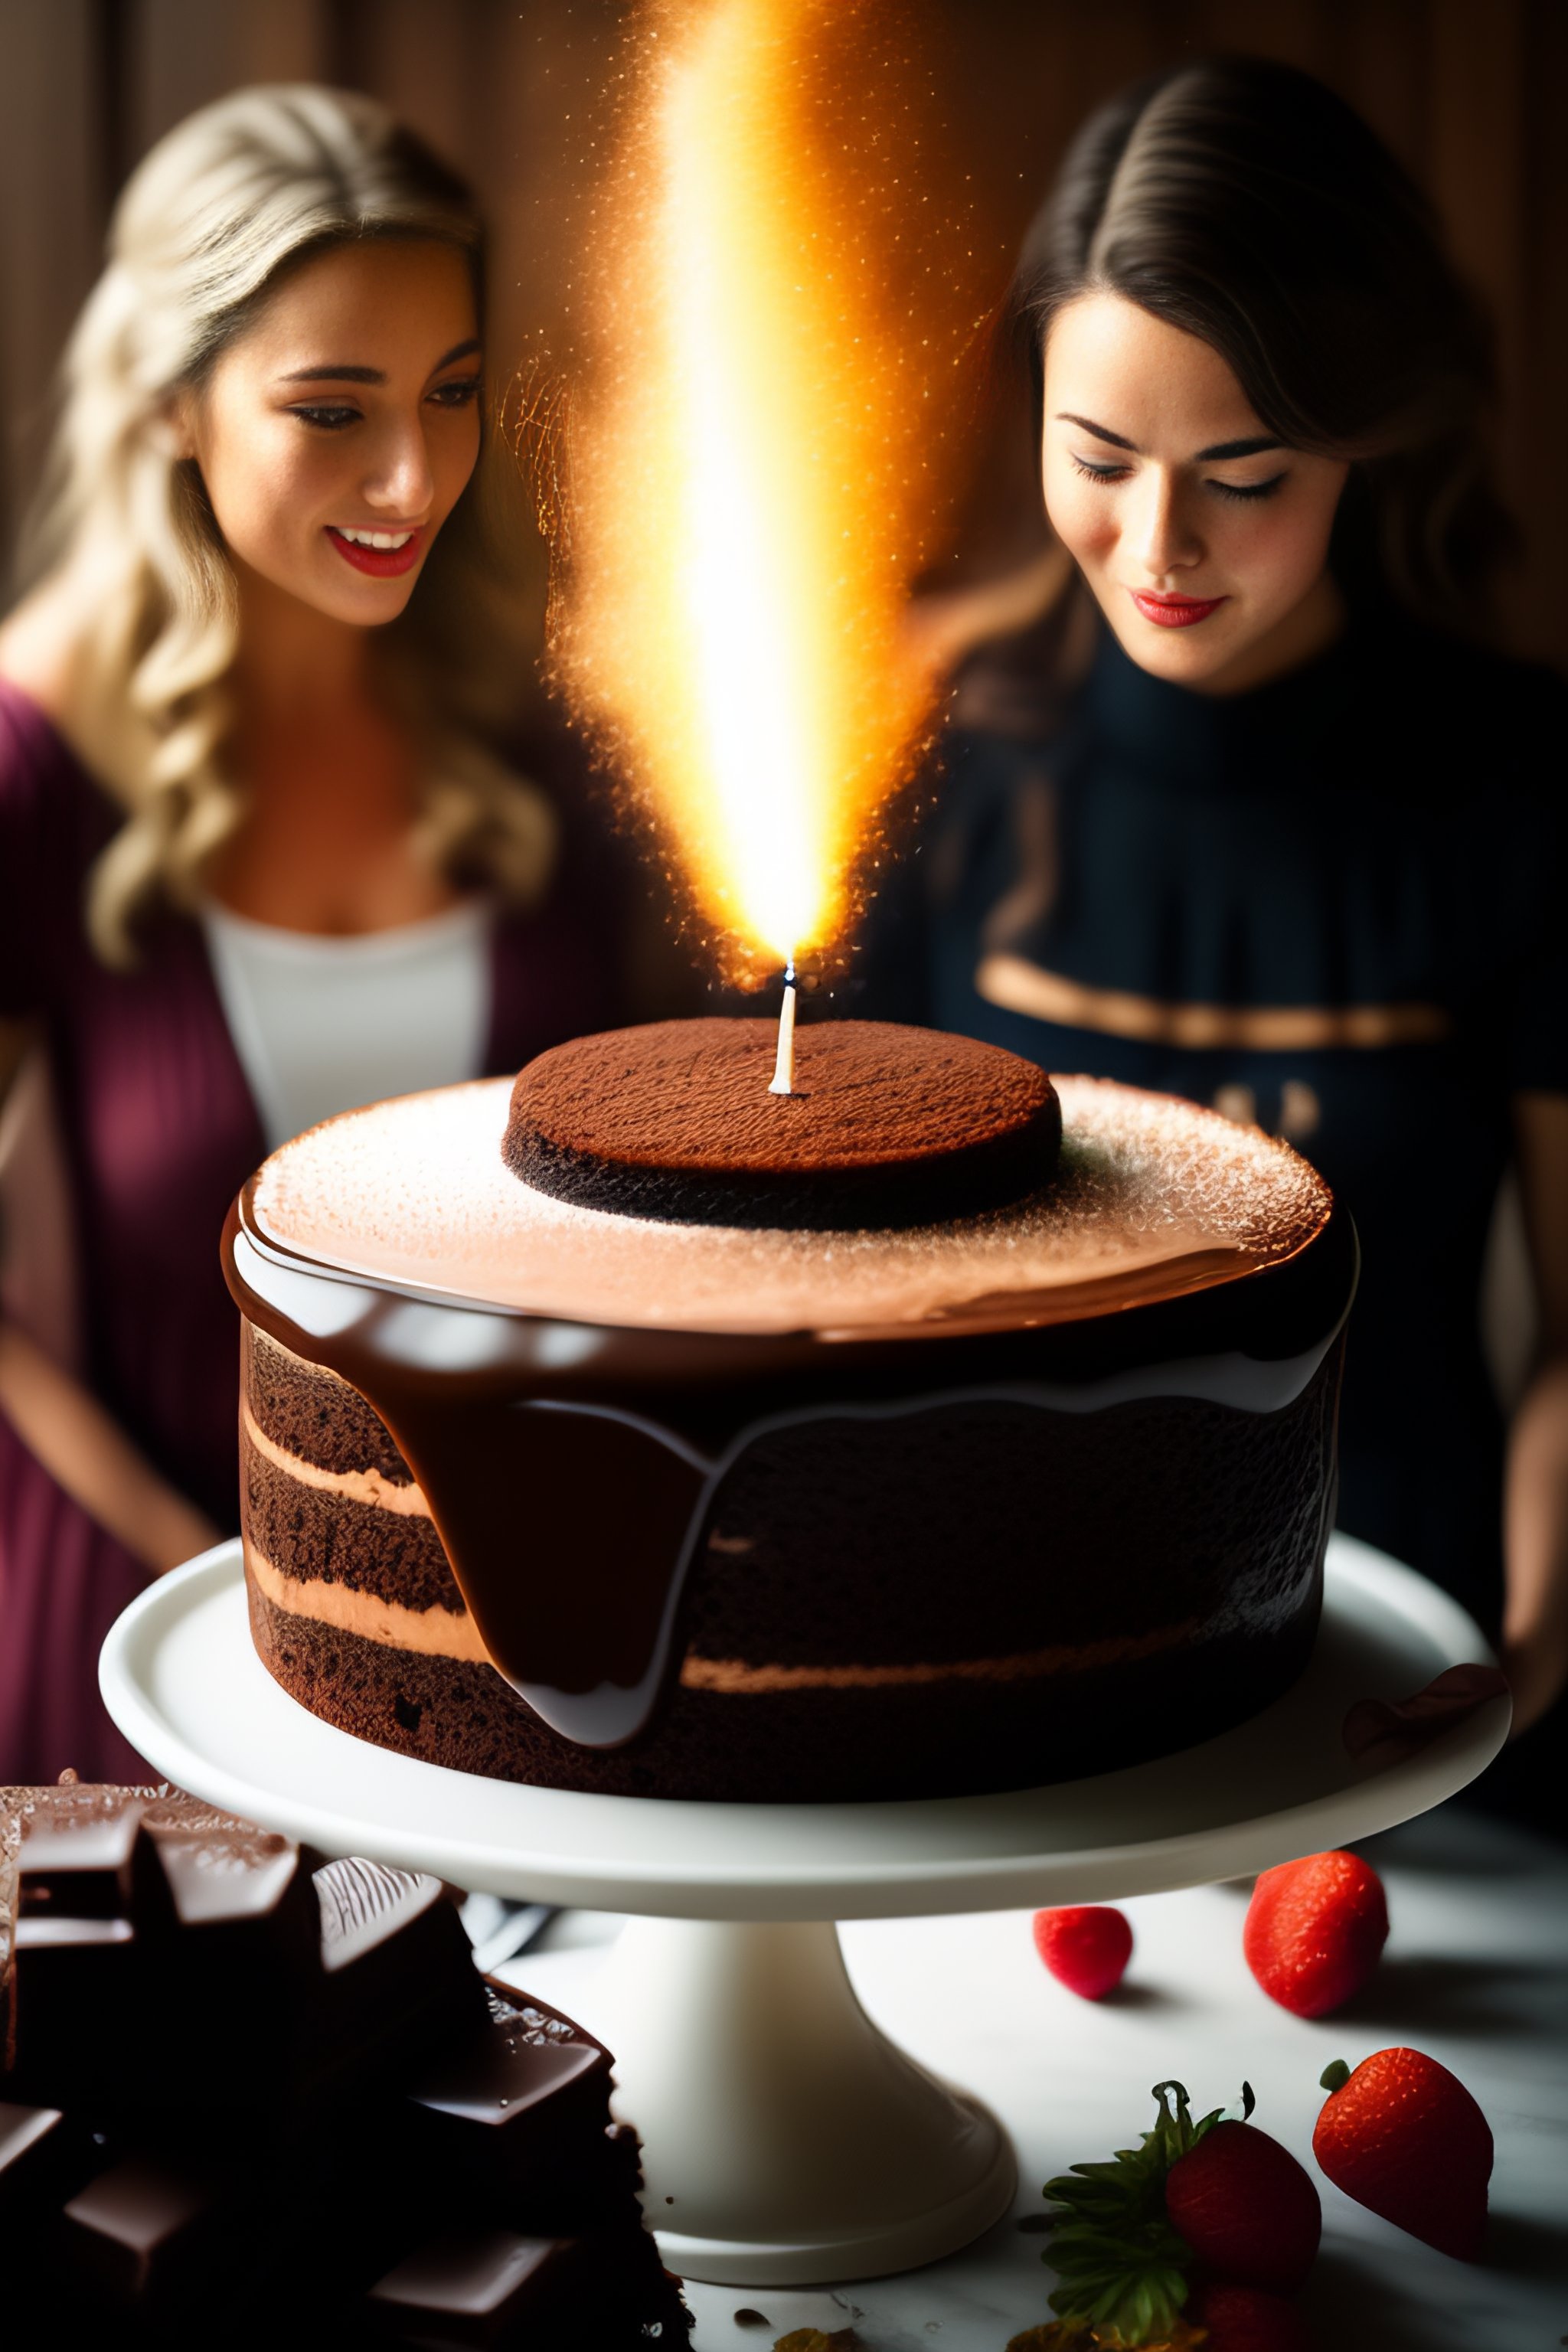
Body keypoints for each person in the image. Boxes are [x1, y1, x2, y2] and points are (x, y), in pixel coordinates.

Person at [878, 58, 1568, 1786]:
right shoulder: (918, 742)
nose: (1159, 544)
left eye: (1245, 473)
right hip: (976, 1684)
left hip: (1396, 1682)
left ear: (1364, 437)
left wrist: (1532, 1658)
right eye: (1099, 458)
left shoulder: (1522, 785)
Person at [0, 86, 616, 1782]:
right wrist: (213, 1584)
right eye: (330, 409)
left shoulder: (536, 726)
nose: (411, 476)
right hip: (151, 1654)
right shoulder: (29, 769)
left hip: (538, 1660)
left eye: (452, 393)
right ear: (174, 405)